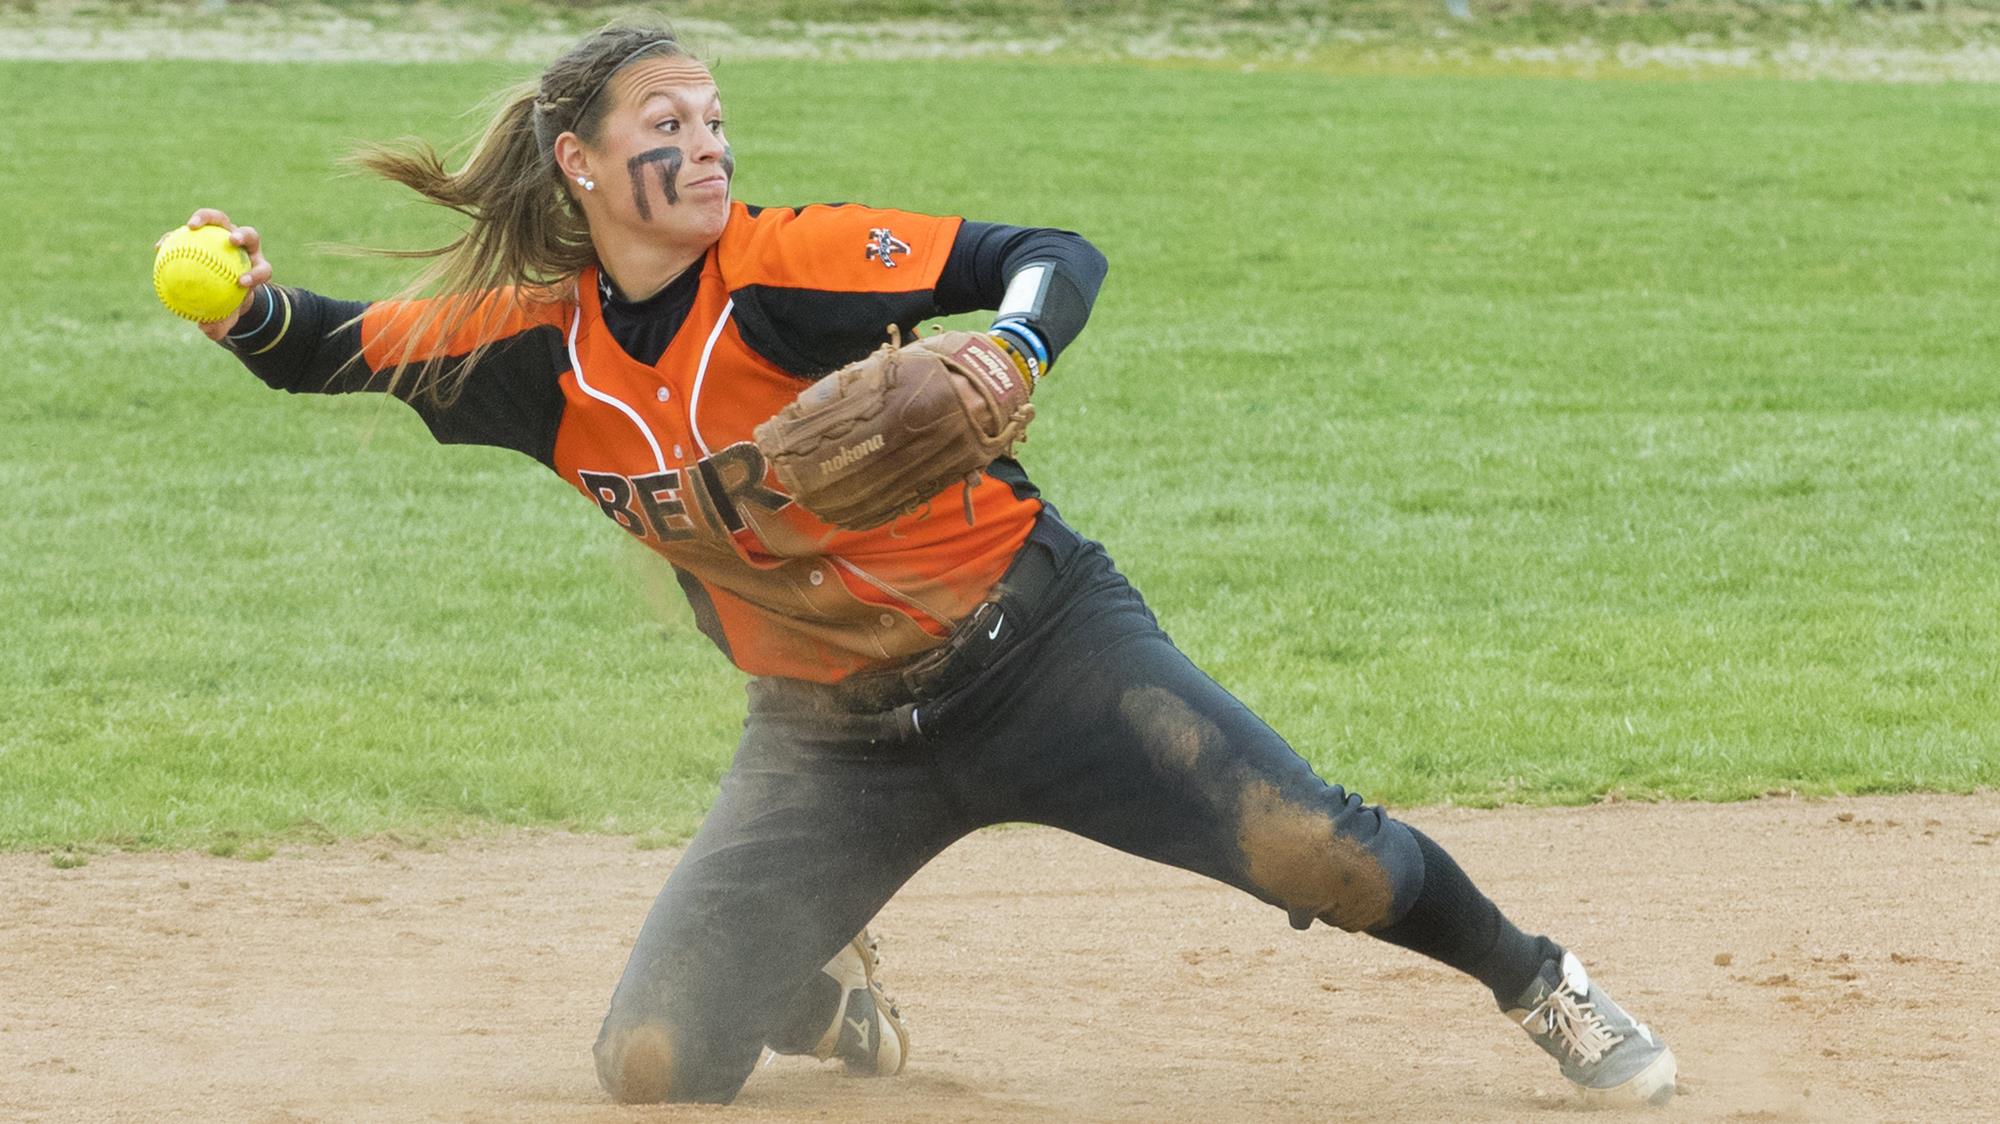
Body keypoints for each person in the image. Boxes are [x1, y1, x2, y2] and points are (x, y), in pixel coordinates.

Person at [178, 23, 1677, 1109]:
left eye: (714, 119)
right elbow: (321, 346)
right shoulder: (529, 352)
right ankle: (826, 1000)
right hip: (828, 744)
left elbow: (1048, 249)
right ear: (577, 162)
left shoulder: (791, 264)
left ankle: (1542, 984)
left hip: (1043, 652)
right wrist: (238, 296)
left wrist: (1017, 340)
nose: (706, 145)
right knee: (648, 1068)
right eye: (666, 123)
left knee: (1312, 850)